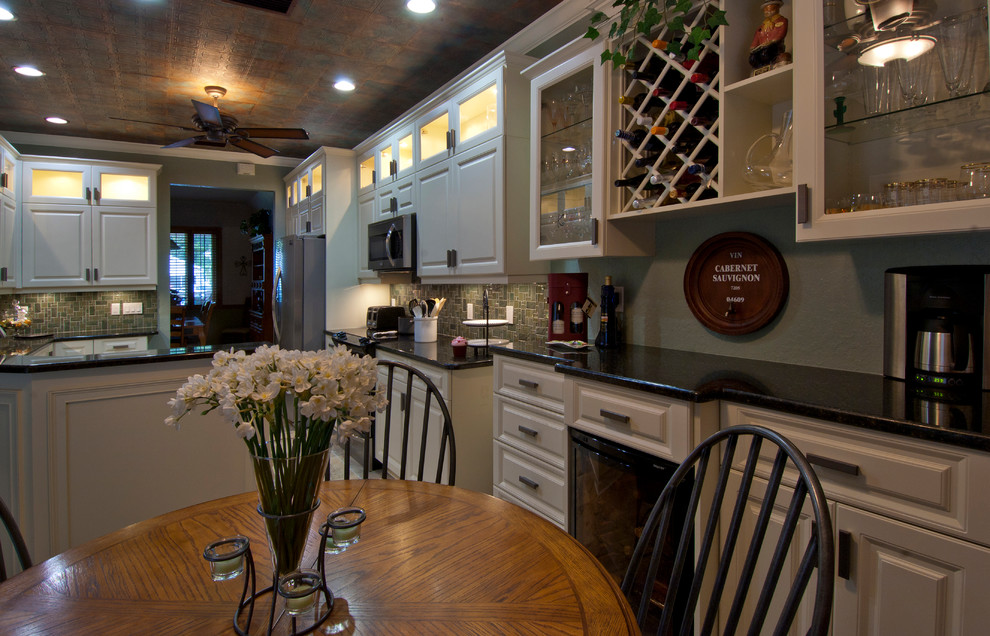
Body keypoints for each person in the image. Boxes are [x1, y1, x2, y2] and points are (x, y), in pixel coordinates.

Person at [749, 0, 789, 72]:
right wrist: (753, 47)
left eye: (770, 9)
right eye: (766, 9)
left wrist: (772, 41)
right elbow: (756, 40)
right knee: (752, 58)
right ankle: (761, 68)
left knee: (765, 53)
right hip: (762, 48)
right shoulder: (761, 27)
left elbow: (781, 34)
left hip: (774, 46)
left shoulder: (782, 21)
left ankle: (772, 64)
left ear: (777, 8)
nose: (767, 11)